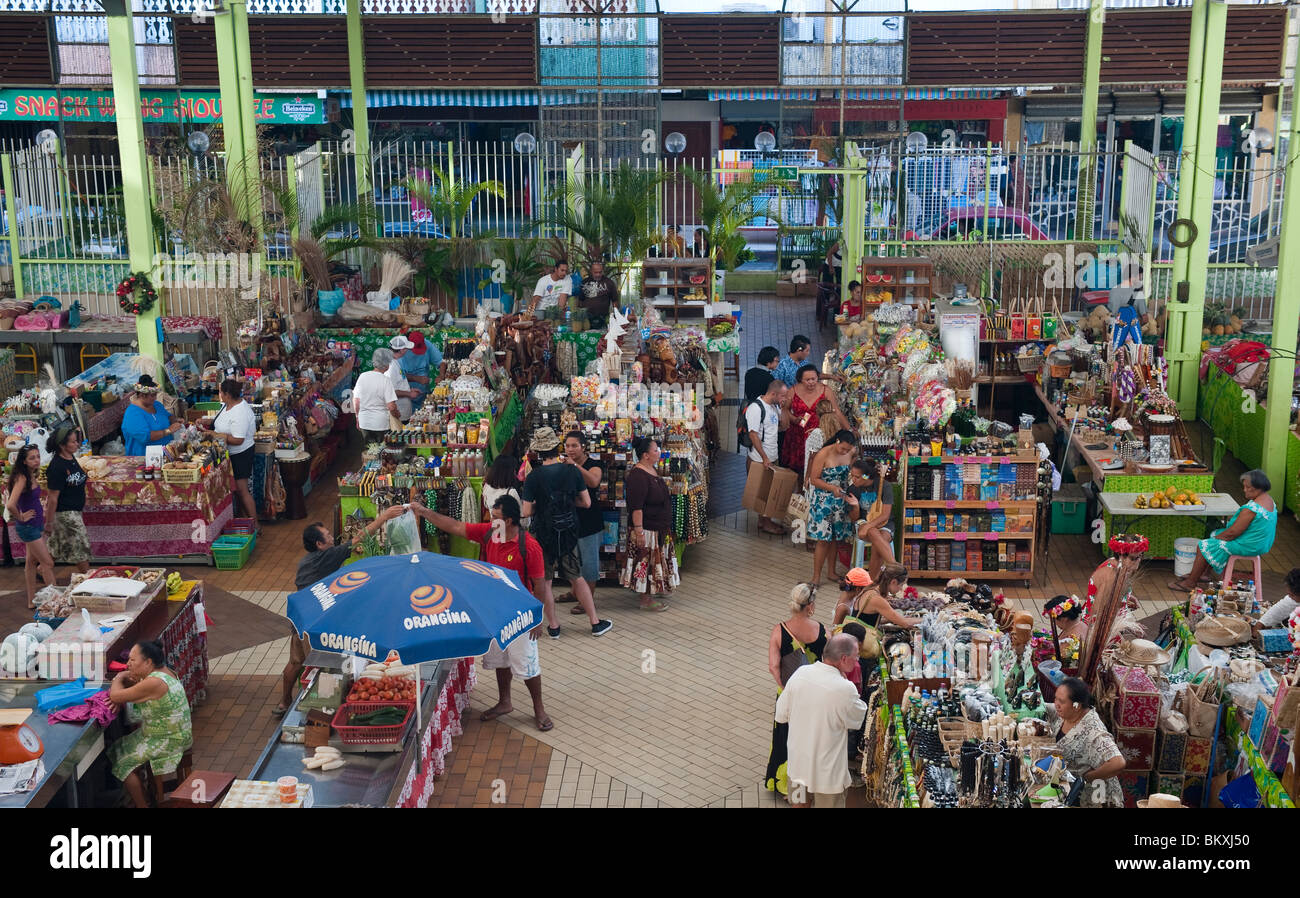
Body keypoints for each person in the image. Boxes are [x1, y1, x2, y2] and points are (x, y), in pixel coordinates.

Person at [412, 495, 553, 731]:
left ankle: (539, 709)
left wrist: (537, 619)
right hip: (493, 611)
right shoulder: (491, 532)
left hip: (520, 614)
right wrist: (425, 512)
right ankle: (504, 702)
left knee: (527, 663)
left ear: (508, 520)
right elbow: (455, 526)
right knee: (500, 658)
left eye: (495, 517)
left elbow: (540, 585)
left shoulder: (529, 546)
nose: (491, 520)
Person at [275, 505, 410, 716]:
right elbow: (358, 539)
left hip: (300, 617)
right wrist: (384, 517)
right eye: (328, 536)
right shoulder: (327, 556)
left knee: (295, 661)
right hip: (314, 624)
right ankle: (321, 711)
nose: (332, 537)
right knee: (319, 665)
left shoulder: (306, 560)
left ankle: (284, 702)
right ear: (319, 544)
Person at [520, 427, 612, 638]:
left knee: (546, 582)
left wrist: (542, 507)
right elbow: (586, 502)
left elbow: (526, 511)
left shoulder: (533, 477)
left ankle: (553, 626)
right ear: (556, 447)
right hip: (568, 532)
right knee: (577, 578)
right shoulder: (571, 471)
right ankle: (595, 623)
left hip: (543, 534)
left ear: (538, 451)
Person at [774, 633, 868, 808]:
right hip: (828, 776)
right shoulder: (844, 688)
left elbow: (781, 714)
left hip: (798, 767)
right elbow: (857, 719)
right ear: (844, 658)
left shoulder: (800, 673)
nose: (857, 661)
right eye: (856, 657)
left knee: (798, 804)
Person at [107, 640, 193, 808]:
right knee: (120, 746)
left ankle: (142, 805)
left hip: (168, 740)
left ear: (148, 662)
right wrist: (127, 683)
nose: (128, 664)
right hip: (173, 732)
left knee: (123, 762)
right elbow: (135, 690)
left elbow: (115, 697)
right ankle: (144, 790)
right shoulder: (165, 672)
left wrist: (119, 677)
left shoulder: (154, 682)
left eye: (132, 660)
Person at [764, 582, 828, 796]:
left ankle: (783, 784)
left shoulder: (779, 630)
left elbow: (773, 667)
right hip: (814, 694)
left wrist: (785, 688)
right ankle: (808, 786)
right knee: (808, 738)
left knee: (784, 736)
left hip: (788, 694)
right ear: (810, 606)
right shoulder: (821, 630)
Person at [1170, 469, 1277, 592]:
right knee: (1214, 534)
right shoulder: (1269, 501)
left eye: (1248, 487)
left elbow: (1232, 533)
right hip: (1261, 544)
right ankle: (1203, 574)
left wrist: (1214, 540)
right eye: (1244, 487)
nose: (1244, 490)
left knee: (1203, 545)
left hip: (1249, 545)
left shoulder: (1252, 509)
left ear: (1258, 488)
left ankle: (1190, 583)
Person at [1050, 677, 1125, 807]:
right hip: (1072, 790)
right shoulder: (1068, 714)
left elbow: (1118, 763)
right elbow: (1052, 708)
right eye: (1056, 698)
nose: (1056, 704)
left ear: (1077, 706)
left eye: (1061, 701)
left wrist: (1088, 777)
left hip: (1096, 798)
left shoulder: (1093, 732)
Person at [622, 436, 677, 611]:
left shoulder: (651, 470)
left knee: (654, 563)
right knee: (646, 563)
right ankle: (645, 599)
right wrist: (639, 533)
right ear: (646, 455)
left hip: (657, 527)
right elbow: (636, 508)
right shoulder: (638, 476)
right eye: (655, 450)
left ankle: (655, 589)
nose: (659, 452)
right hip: (646, 528)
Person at [6, 444, 56, 608]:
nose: (36, 460)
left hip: (34, 525)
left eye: (37, 456)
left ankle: (30, 601)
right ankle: (55, 602)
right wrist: (20, 516)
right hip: (28, 528)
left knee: (30, 563)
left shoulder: (30, 474)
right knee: (47, 564)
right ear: (24, 461)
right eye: (32, 458)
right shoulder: (22, 478)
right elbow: (11, 504)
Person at [805, 430, 857, 585]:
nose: (845, 452)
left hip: (840, 501)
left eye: (848, 450)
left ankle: (832, 572)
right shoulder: (823, 454)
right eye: (843, 449)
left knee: (835, 538)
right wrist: (830, 488)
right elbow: (813, 479)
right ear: (837, 441)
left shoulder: (850, 452)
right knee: (823, 540)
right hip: (823, 502)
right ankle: (816, 577)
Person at [780, 364, 849, 477]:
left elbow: (836, 411)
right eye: (807, 380)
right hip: (798, 435)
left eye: (814, 379)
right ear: (800, 380)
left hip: (819, 434)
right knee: (798, 470)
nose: (811, 382)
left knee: (817, 466)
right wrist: (794, 419)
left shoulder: (826, 390)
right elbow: (785, 409)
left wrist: (848, 430)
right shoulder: (792, 391)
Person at [564, 431, 606, 614]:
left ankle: (587, 599)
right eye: (567, 446)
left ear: (583, 446)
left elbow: (594, 481)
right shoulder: (564, 466)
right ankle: (575, 592)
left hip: (590, 521)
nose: (570, 449)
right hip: (569, 520)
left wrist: (575, 466)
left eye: (574, 445)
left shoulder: (594, 464)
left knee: (589, 563)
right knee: (572, 562)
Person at [204, 379, 257, 520]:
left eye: (221, 391)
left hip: (240, 455)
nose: (219, 394)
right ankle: (241, 519)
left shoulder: (240, 412)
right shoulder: (227, 405)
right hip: (228, 453)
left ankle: (255, 525)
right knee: (236, 490)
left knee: (242, 489)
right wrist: (207, 422)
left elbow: (238, 440)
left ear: (227, 394)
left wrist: (216, 435)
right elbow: (222, 422)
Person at [42, 423, 90, 576]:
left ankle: (41, 570)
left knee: (57, 545)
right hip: (65, 514)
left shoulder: (71, 458)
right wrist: (49, 523)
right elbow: (52, 498)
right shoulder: (56, 467)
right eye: (73, 442)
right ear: (62, 445)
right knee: (80, 545)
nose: (77, 444)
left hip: (74, 510)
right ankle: (88, 577)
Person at [746, 378, 790, 535]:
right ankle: (766, 523)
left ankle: (763, 521)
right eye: (783, 396)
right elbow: (753, 435)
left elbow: (784, 426)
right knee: (764, 492)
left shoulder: (774, 407)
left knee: (769, 491)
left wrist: (784, 409)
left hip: (772, 455)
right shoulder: (756, 408)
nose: (785, 398)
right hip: (760, 458)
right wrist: (764, 457)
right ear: (773, 393)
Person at [845, 458, 896, 584]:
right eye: (851, 476)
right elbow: (853, 518)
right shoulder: (852, 489)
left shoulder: (884, 485)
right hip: (862, 522)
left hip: (885, 523)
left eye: (856, 477)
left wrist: (869, 526)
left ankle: (872, 583)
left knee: (877, 540)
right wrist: (856, 506)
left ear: (866, 476)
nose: (853, 479)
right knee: (874, 533)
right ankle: (895, 569)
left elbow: (885, 515)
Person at [832, 564, 920, 635]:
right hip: (863, 642)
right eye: (901, 585)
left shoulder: (871, 588)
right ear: (893, 582)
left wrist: (893, 619)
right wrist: (925, 619)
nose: (901, 589)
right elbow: (905, 623)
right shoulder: (876, 599)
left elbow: (867, 619)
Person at [121, 375, 181, 456]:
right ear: (142, 395)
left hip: (166, 454)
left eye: (155, 395)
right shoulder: (132, 413)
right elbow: (146, 436)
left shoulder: (156, 405)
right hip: (144, 459)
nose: (155, 398)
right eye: (152, 395)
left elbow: (168, 416)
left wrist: (175, 421)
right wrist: (169, 430)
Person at [353, 348, 400, 445]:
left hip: (364, 422)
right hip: (380, 424)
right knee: (382, 452)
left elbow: (356, 401)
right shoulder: (385, 380)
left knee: (370, 452)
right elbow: (391, 406)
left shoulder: (362, 376)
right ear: (386, 366)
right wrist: (397, 415)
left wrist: (357, 417)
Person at [399, 331, 441, 407]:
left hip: (423, 393)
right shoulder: (400, 351)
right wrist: (416, 378)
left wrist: (441, 376)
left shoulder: (426, 343)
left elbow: (441, 362)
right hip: (406, 395)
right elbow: (397, 375)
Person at [481, 453, 524, 524]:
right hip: (509, 531)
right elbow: (521, 519)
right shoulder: (511, 492)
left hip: (495, 529)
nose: (515, 472)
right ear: (509, 473)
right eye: (514, 470)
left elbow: (486, 505)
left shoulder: (487, 487)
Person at [385, 335, 420, 421]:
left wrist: (409, 391)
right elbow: (390, 392)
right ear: (401, 350)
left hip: (403, 411)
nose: (407, 351)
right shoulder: (391, 366)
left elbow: (399, 382)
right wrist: (409, 394)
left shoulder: (395, 361)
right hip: (398, 413)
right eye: (406, 348)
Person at [801, 400, 839, 476]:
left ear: (817, 415)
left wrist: (807, 478)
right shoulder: (837, 432)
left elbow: (812, 458)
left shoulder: (817, 433)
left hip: (815, 475)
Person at [577, 260, 618, 328]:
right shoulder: (584, 283)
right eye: (595, 272)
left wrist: (616, 315)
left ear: (603, 271)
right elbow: (580, 301)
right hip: (587, 319)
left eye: (600, 272)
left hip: (604, 318)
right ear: (591, 271)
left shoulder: (609, 283)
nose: (598, 274)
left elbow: (615, 301)